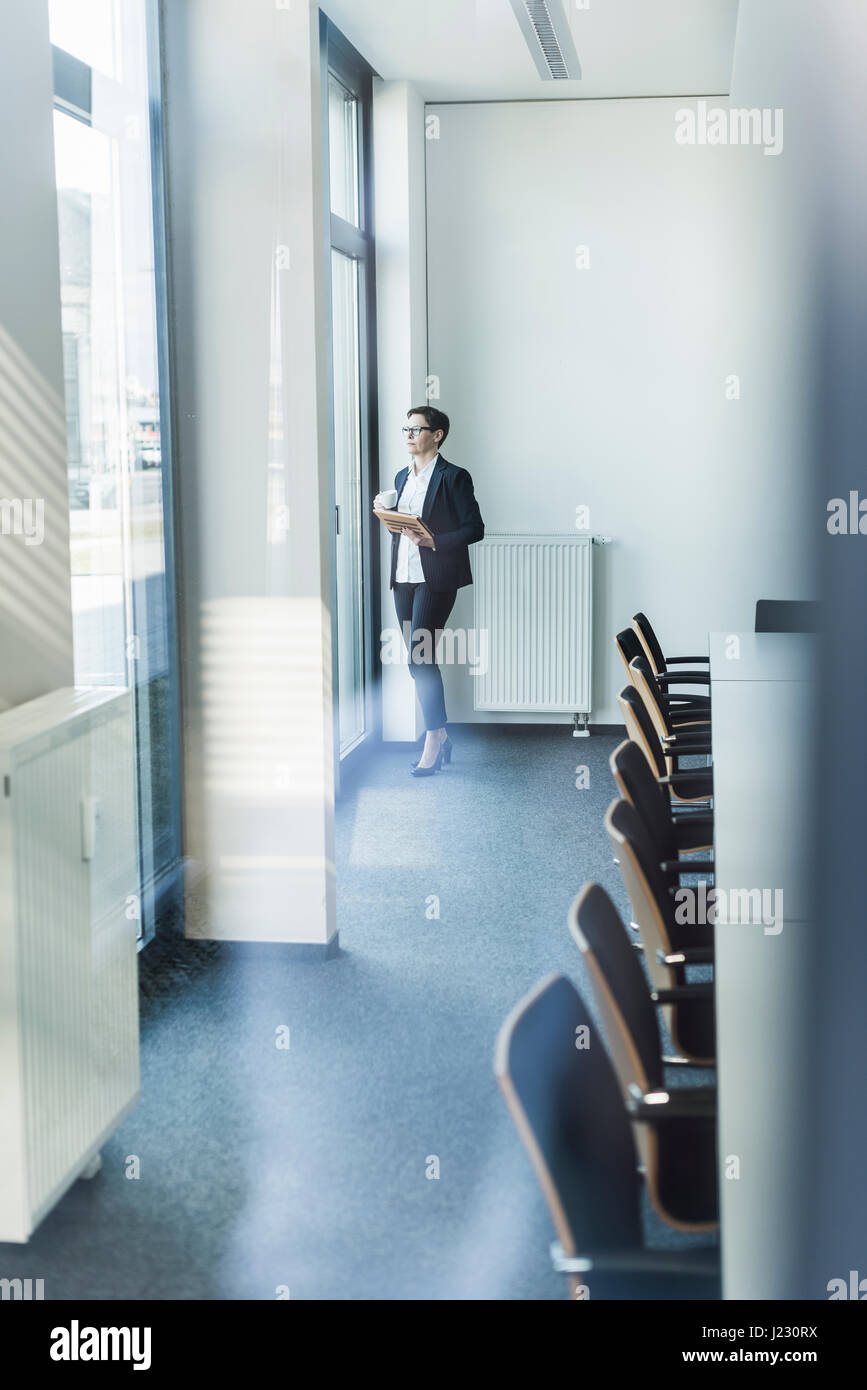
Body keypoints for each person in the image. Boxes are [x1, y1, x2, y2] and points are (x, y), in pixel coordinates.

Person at [375, 406, 485, 777]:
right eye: (405, 428)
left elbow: (475, 528)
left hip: (435, 578)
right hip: (403, 577)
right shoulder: (401, 476)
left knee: (420, 659)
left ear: (437, 435)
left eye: (416, 429)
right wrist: (387, 516)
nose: (408, 434)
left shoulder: (454, 477)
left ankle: (434, 739)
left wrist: (436, 541)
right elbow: (403, 531)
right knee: (415, 659)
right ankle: (441, 735)